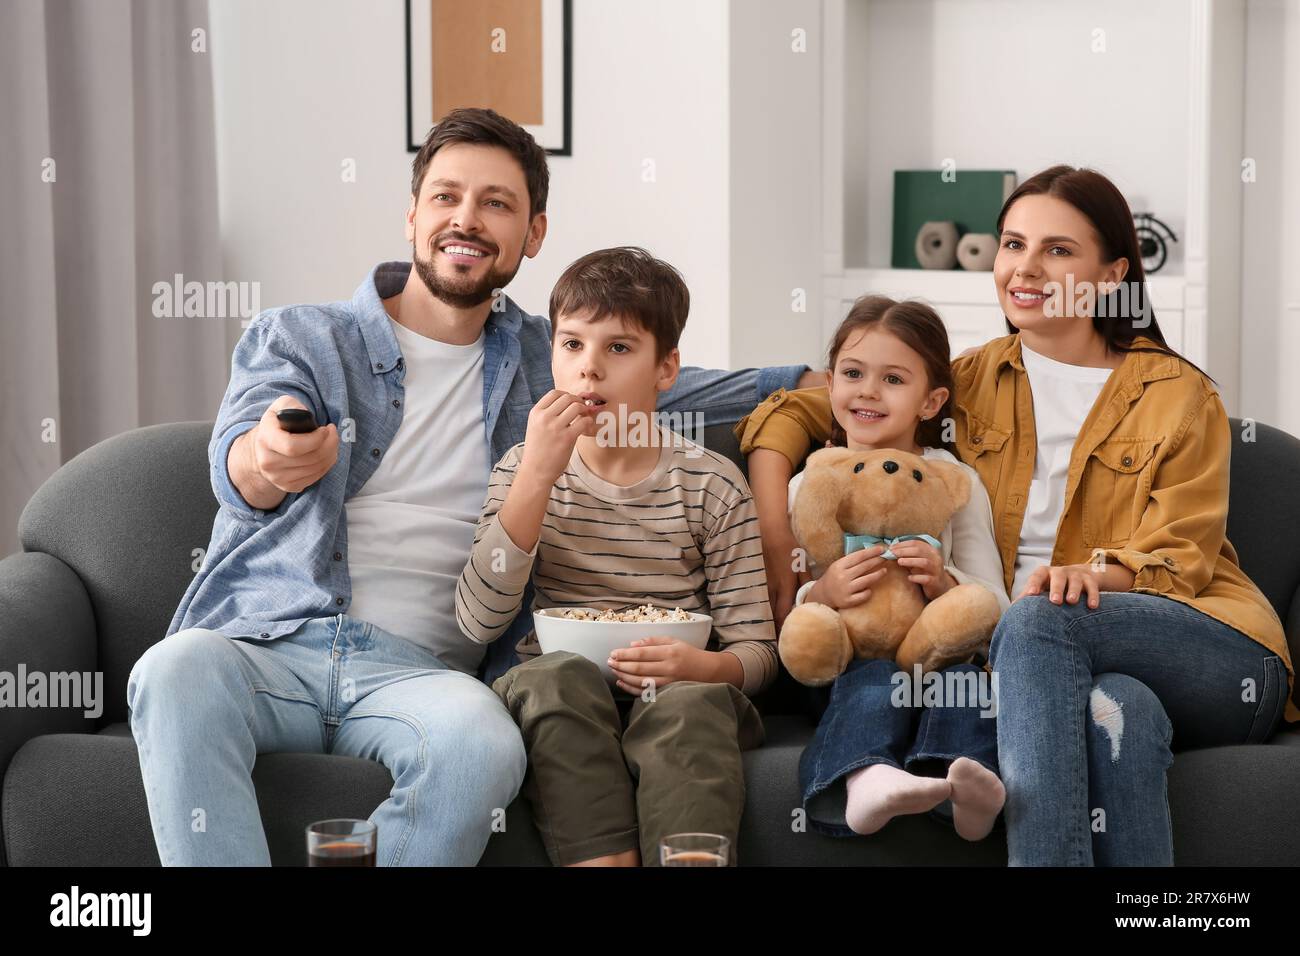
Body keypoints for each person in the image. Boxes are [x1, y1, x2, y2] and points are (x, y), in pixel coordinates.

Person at [126, 108, 819, 866]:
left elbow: (686, 386)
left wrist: (829, 388)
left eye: (497, 203)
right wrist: (266, 458)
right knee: (172, 671)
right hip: (268, 641)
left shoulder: (547, 352)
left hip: (425, 672)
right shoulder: (303, 337)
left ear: (534, 234)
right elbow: (244, 461)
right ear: (413, 214)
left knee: (486, 745)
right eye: (447, 196)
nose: (467, 219)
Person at [736, 165, 1295, 865]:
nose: (1025, 268)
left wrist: (1088, 577)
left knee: (1033, 620)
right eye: (1012, 244)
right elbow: (793, 408)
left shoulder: (1179, 395)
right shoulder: (965, 379)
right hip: (1062, 664)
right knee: (1117, 711)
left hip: (1211, 645)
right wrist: (776, 532)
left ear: (1113, 272)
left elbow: (1183, 558)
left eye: (1058, 250)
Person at [455, 246, 775, 867]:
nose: (589, 371)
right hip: (560, 690)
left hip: (685, 691)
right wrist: (535, 481)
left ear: (666, 368)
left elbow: (759, 653)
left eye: (618, 348)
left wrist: (703, 669)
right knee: (556, 677)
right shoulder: (523, 470)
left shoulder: (710, 485)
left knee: (687, 707)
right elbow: (477, 623)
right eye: (571, 345)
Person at [781, 295, 1010, 841]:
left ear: (931, 402)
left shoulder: (954, 482)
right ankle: (864, 778)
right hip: (847, 667)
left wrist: (943, 580)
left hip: (933, 659)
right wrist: (823, 591)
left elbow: (997, 603)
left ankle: (958, 792)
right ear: (831, 383)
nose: (867, 391)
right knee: (875, 676)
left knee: (963, 682)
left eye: (893, 379)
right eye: (853, 373)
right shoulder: (807, 484)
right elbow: (793, 613)